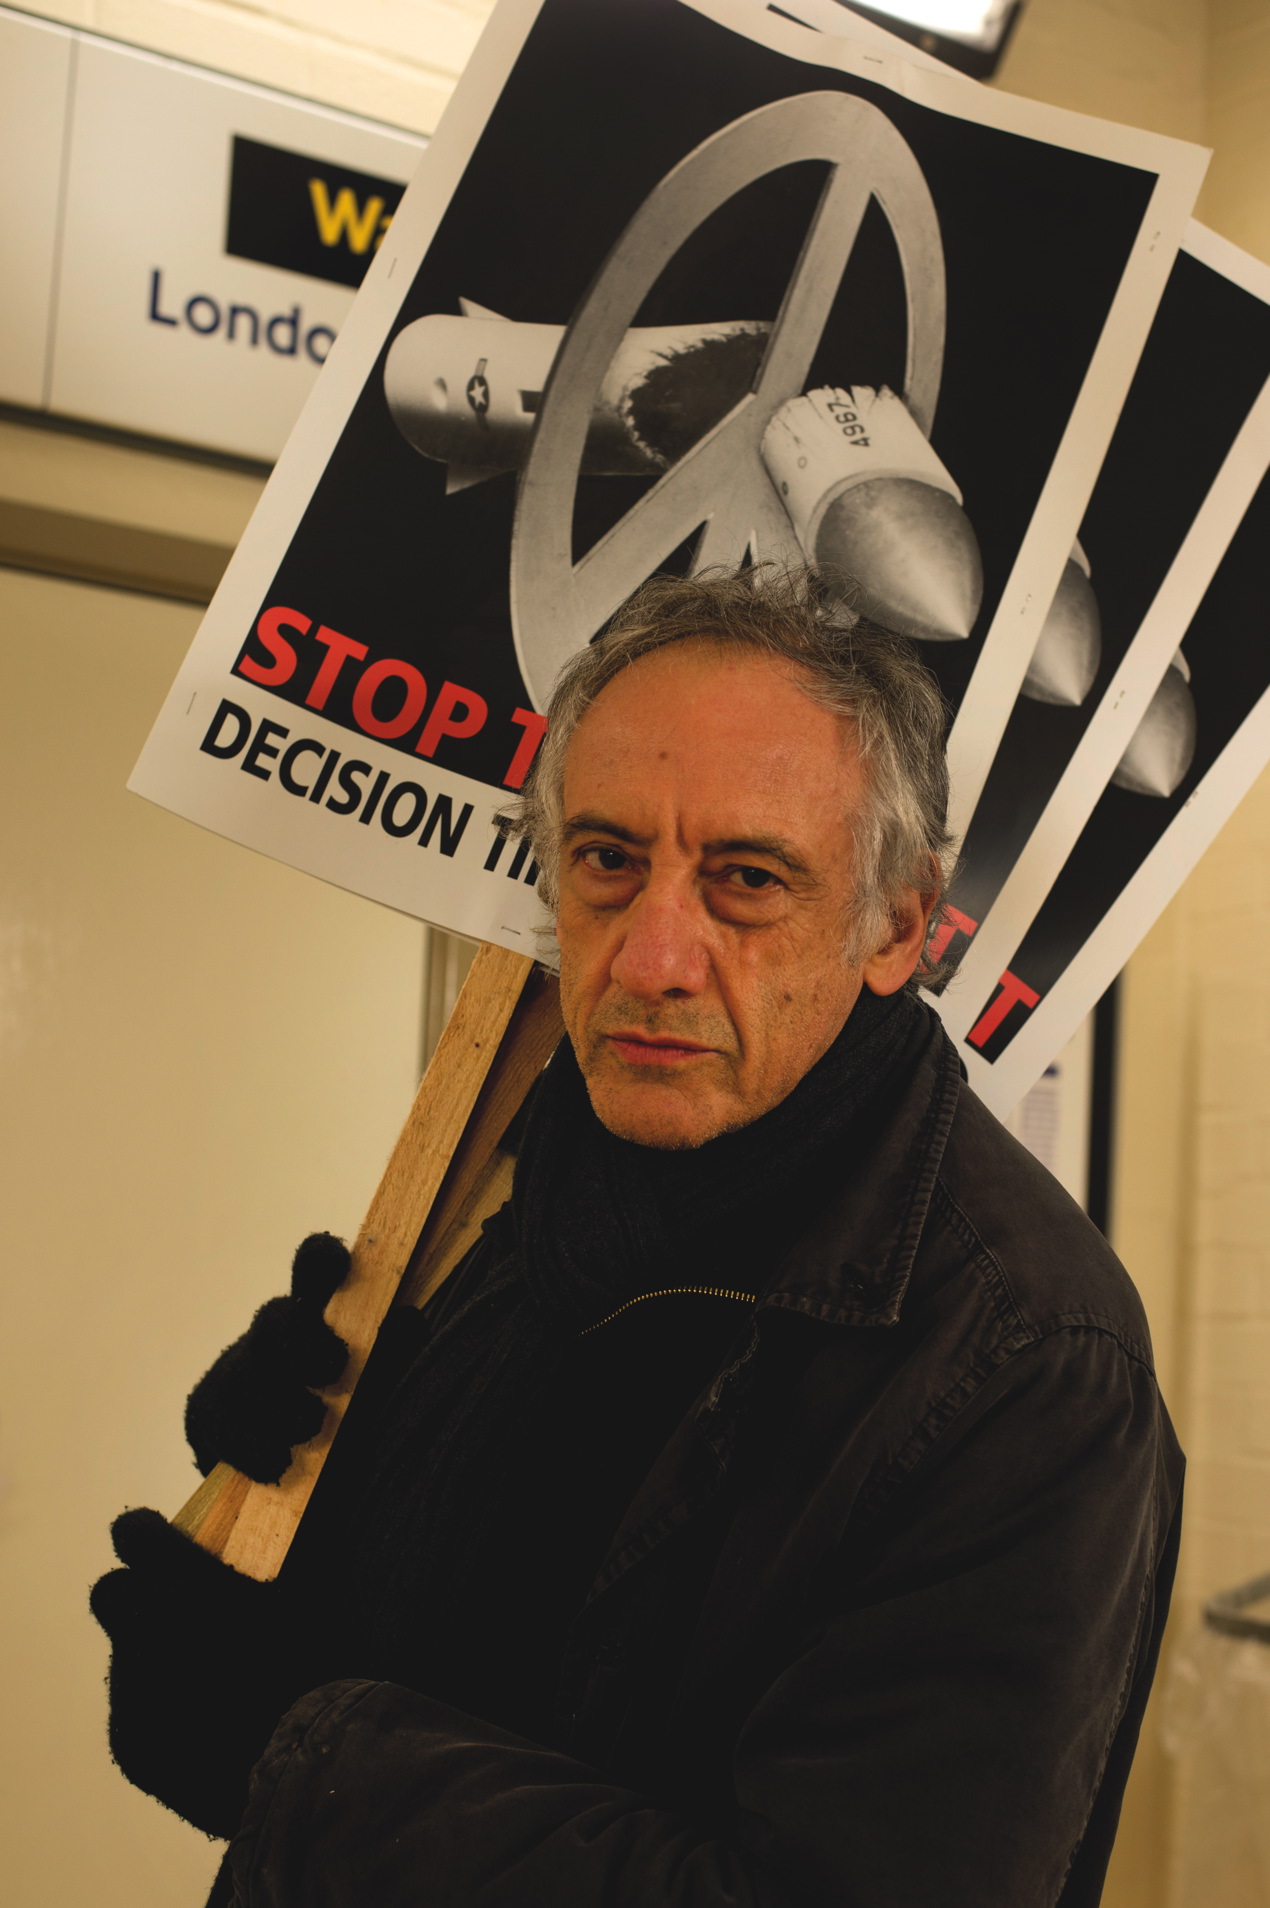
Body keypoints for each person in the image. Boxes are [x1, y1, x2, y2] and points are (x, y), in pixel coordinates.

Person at [92, 564, 1182, 1908]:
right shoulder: (532, 1184)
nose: (652, 957)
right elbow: (464, 1666)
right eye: (607, 861)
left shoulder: (1021, 1359)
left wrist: (294, 1753)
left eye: (744, 880)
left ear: (897, 923)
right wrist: (306, 1502)